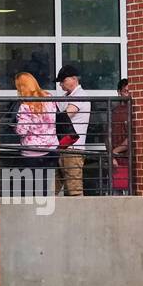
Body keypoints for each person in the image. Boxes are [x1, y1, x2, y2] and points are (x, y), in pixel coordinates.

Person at [14, 72, 58, 182]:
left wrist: (15, 127)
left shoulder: (26, 106)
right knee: (45, 186)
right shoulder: (49, 99)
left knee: (32, 188)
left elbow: (22, 131)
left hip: (32, 152)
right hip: (52, 148)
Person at [53, 65, 90, 197]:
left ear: (74, 79)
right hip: (61, 147)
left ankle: (79, 217)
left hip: (73, 149)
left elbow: (66, 115)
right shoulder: (66, 96)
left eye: (63, 80)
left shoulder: (80, 95)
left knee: (74, 190)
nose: (61, 84)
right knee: (51, 189)